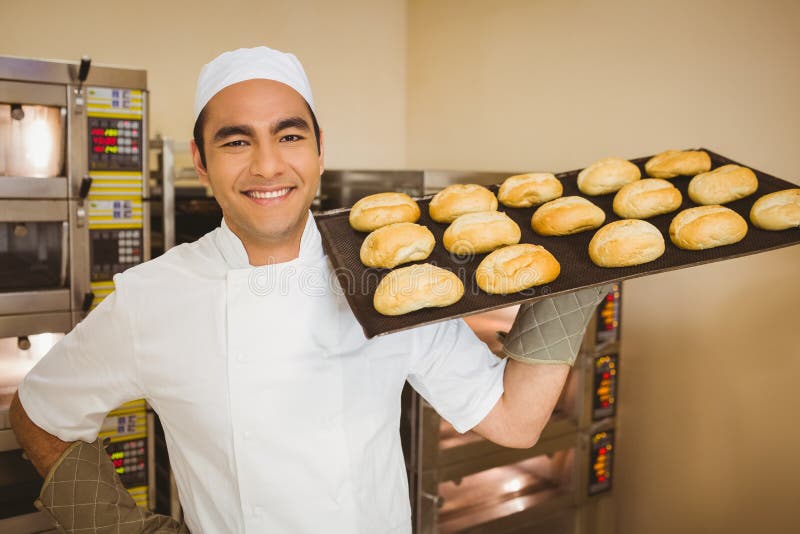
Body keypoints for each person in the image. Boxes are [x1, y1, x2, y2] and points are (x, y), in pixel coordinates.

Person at [9, 46, 610, 533]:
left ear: (321, 151)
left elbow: (513, 421)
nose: (268, 166)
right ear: (201, 161)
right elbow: (37, 412)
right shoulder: (153, 298)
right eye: (236, 141)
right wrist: (120, 527)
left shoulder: (386, 277)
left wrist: (579, 274)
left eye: (290, 136)